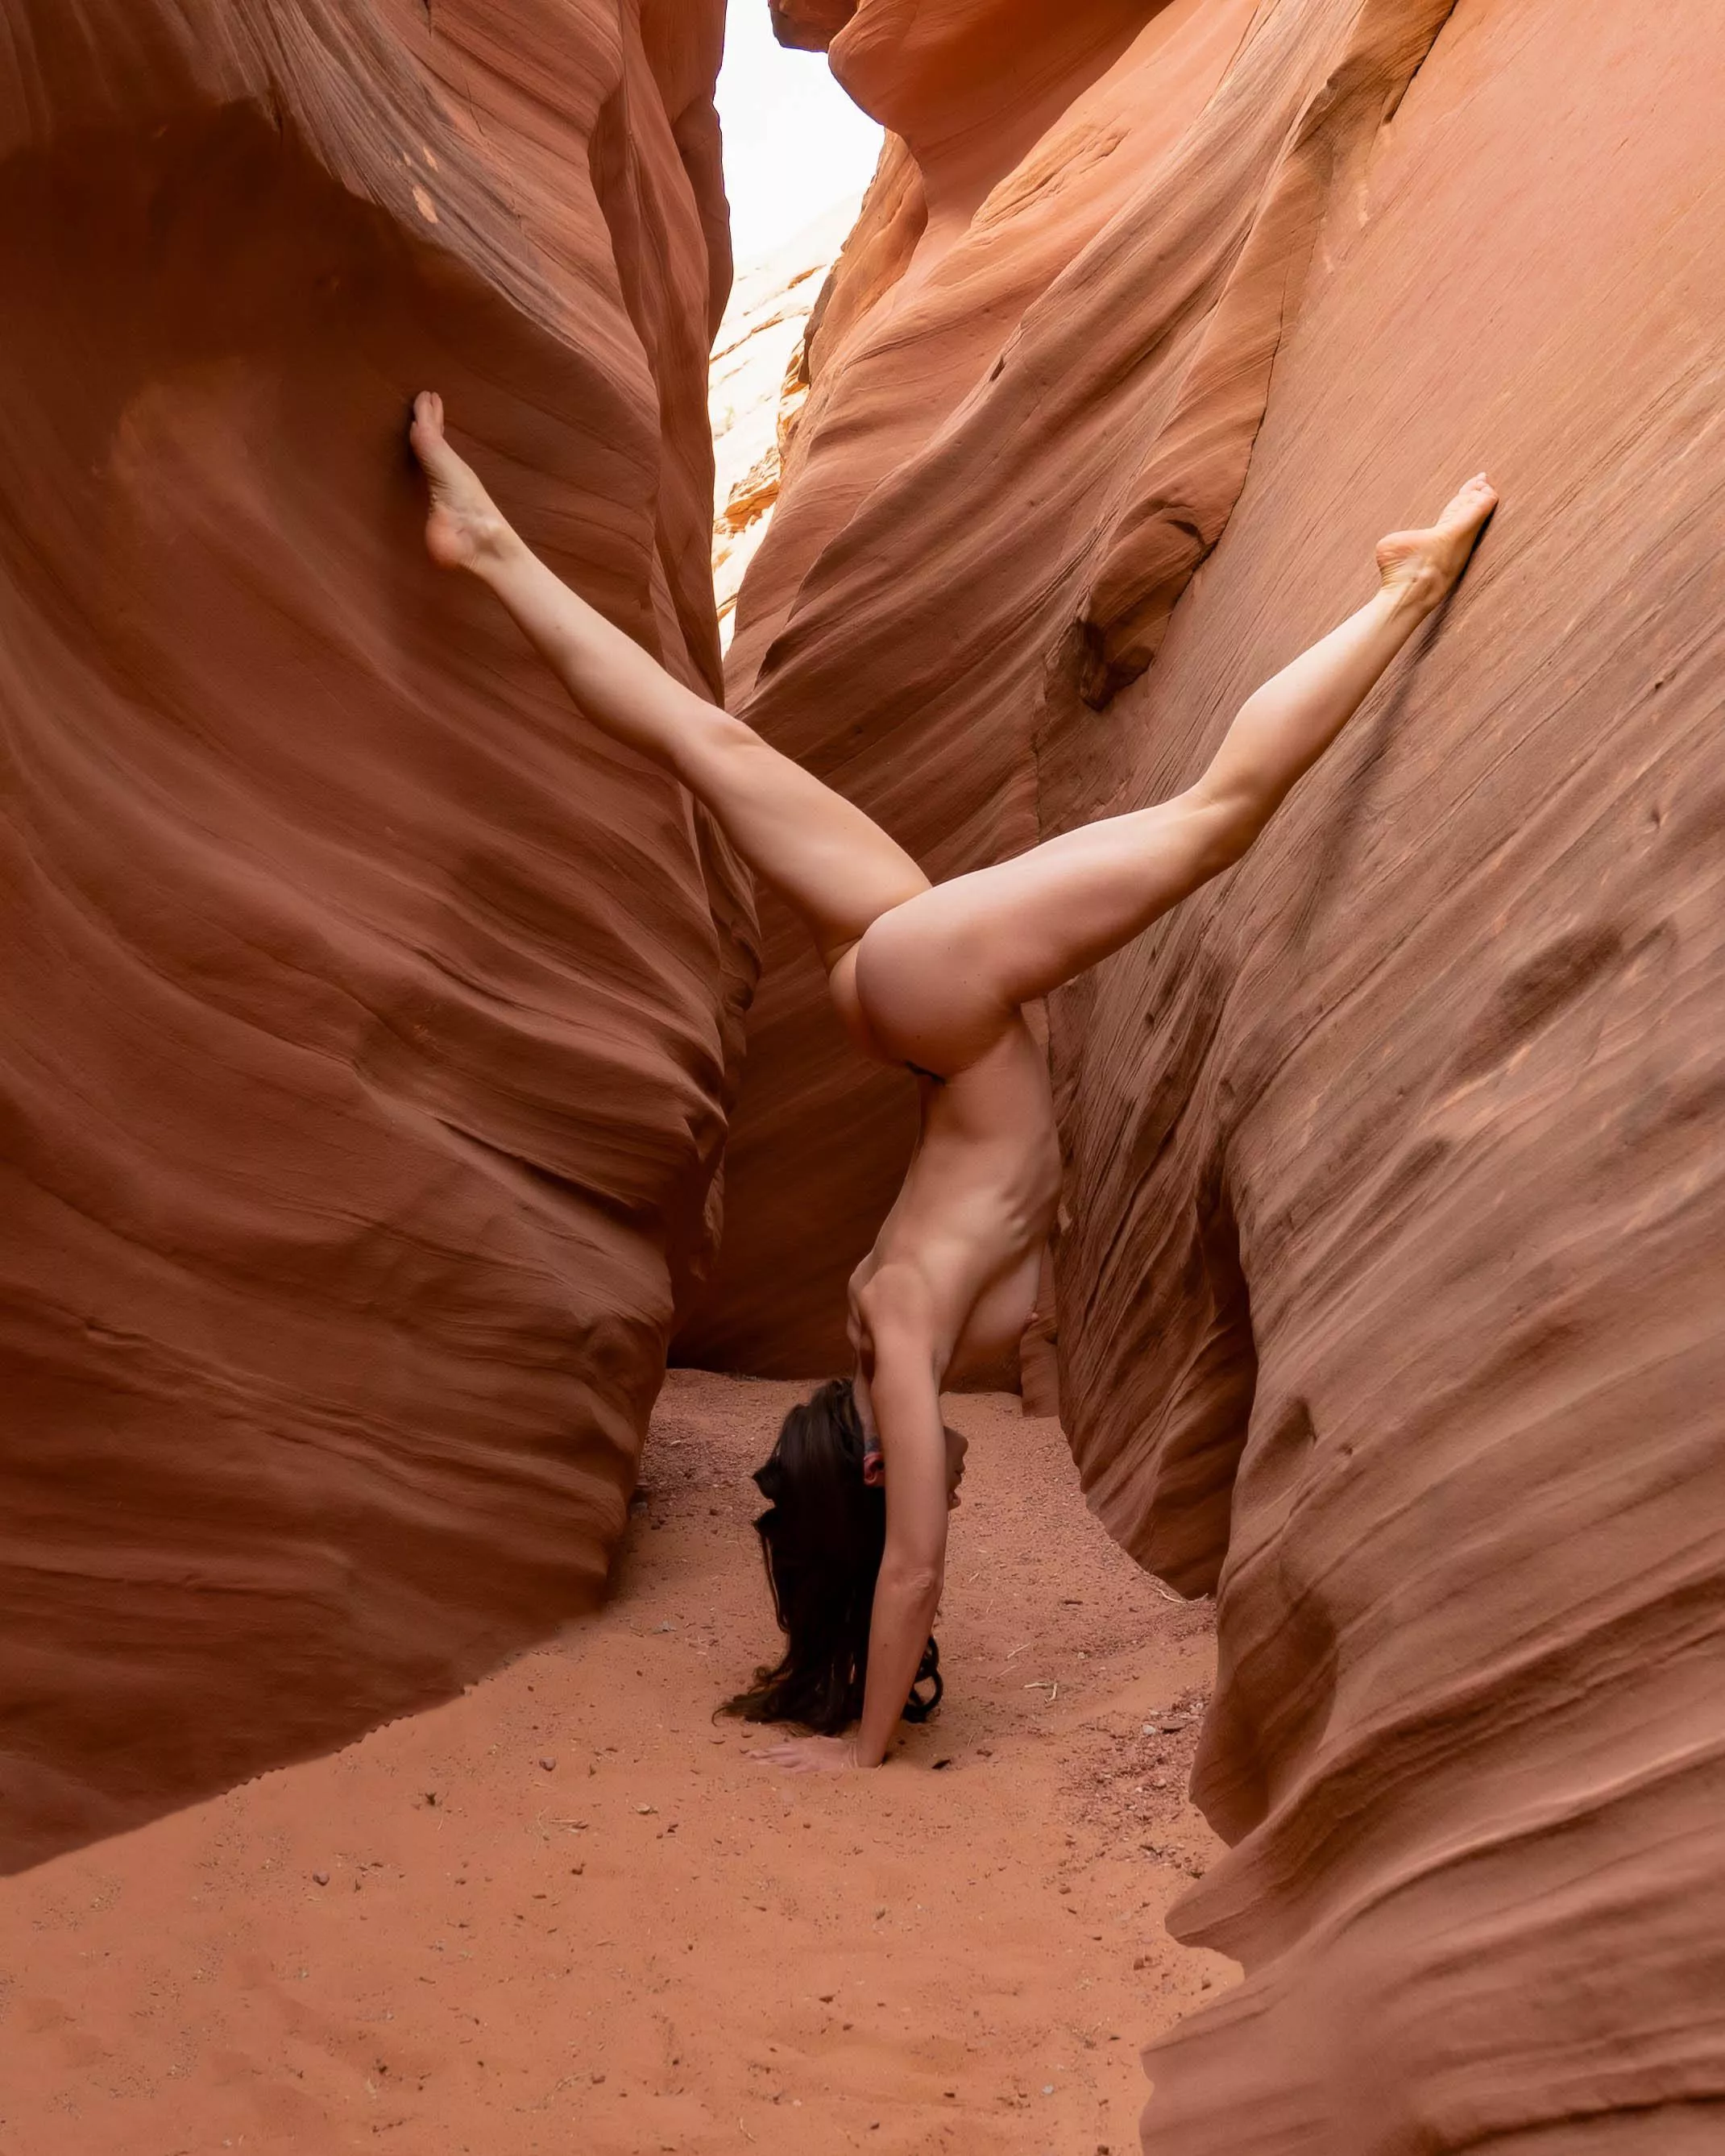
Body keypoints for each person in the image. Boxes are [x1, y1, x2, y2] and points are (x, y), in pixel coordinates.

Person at [408, 391, 1496, 1774]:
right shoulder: (898, 1322)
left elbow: (913, 1569)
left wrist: (860, 1749)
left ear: (869, 1462)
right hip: (912, 1007)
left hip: (947, 1012)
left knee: (1212, 817)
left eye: (907, 1470)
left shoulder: (905, 1339)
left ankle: (1406, 593)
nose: (939, 1477)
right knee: (707, 743)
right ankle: (487, 541)